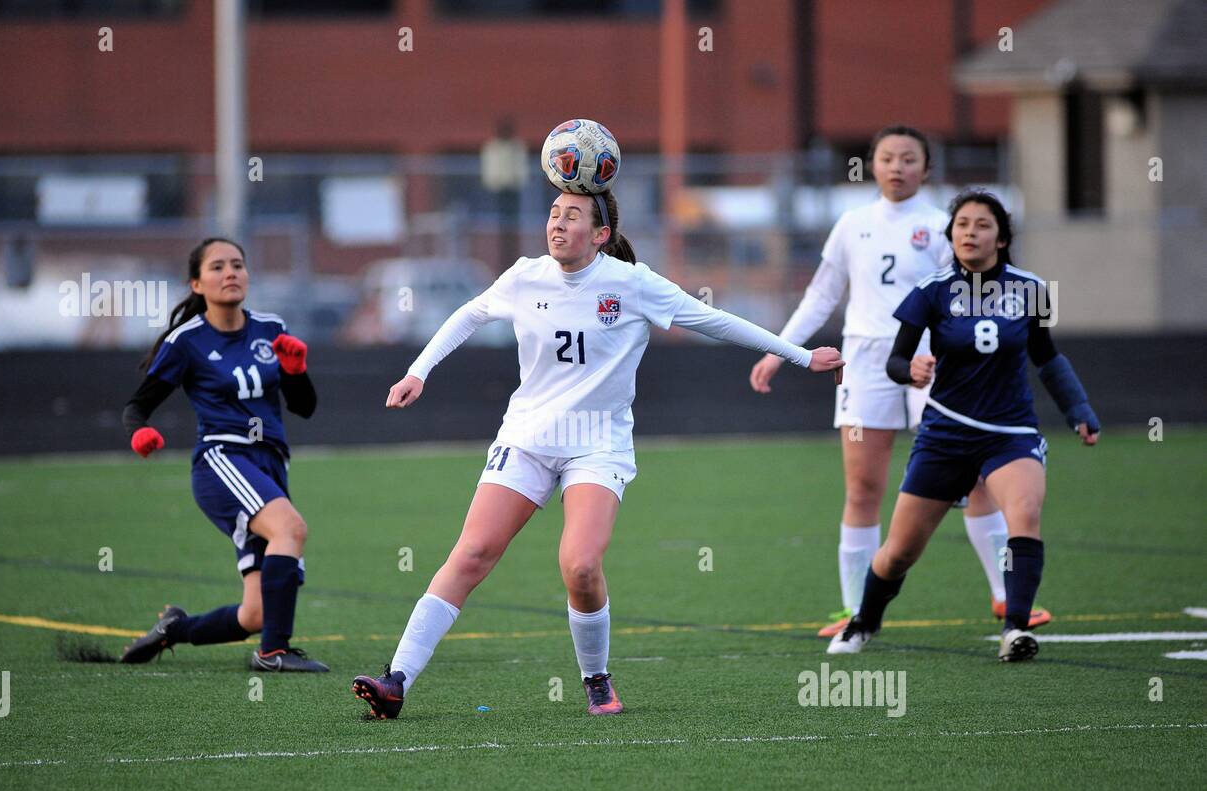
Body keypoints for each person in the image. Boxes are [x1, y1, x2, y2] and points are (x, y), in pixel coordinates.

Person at [352, 189, 844, 719]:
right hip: (526, 438)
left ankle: (595, 678)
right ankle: (396, 680)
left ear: (602, 234)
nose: (557, 225)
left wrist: (798, 355)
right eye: (553, 214)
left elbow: (714, 320)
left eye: (573, 217)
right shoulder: (524, 276)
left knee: (581, 565)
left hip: (597, 444)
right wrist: (417, 372)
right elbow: (467, 316)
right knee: (470, 555)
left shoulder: (632, 284)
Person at [749, 125, 1050, 637]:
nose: (897, 167)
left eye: (909, 159)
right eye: (887, 157)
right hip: (866, 362)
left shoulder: (942, 227)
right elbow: (822, 296)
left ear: (926, 170)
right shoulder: (852, 223)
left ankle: (1005, 598)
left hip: (931, 362)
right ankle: (852, 611)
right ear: (872, 165)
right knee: (863, 486)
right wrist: (784, 351)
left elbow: (971, 291)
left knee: (975, 480)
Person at [827, 189, 1100, 661]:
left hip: (1010, 432)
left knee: (1025, 517)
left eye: (982, 225)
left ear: (1002, 237)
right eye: (962, 225)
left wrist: (1078, 409)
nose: (970, 233)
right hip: (945, 433)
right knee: (899, 551)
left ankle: (1015, 627)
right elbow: (895, 360)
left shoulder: (1029, 289)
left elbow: (1046, 357)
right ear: (950, 235)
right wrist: (909, 371)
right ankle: (864, 621)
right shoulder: (931, 290)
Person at [118, 237, 327, 673]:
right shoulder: (187, 341)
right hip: (222, 460)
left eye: (237, 264)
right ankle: (274, 654)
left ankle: (174, 629)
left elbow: (304, 407)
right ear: (196, 283)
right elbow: (137, 405)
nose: (230, 273)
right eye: (217, 267)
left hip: (270, 463)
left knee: (256, 615)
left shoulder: (271, 328)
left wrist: (296, 370)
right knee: (290, 529)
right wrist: (139, 433)